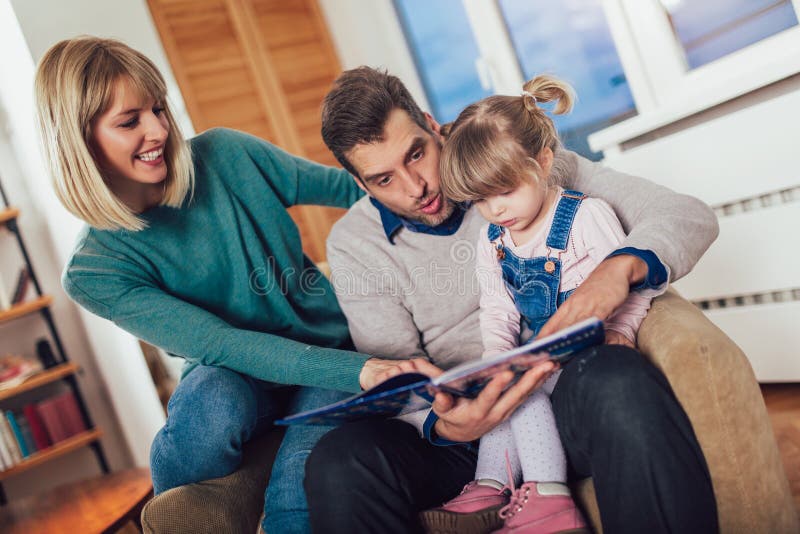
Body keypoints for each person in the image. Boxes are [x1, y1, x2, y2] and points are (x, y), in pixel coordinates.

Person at [32, 37, 442, 534]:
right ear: (79, 139)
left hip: (323, 350)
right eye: (129, 120)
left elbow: (350, 185)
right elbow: (220, 345)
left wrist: (454, 165)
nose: (159, 129)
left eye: (158, 108)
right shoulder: (94, 269)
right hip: (233, 373)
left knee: (300, 481)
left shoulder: (225, 154)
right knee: (211, 404)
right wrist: (366, 370)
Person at [305, 66, 719, 533]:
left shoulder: (516, 162)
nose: (415, 186)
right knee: (338, 461)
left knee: (618, 379)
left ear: (429, 122)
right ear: (360, 183)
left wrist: (618, 269)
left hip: (558, 390)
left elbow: (687, 215)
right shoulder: (353, 244)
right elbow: (396, 376)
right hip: (461, 434)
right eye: (383, 179)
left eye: (417, 154)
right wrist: (445, 426)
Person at [423, 74, 653, 533]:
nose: (495, 210)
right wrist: (495, 360)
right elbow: (497, 306)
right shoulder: (494, 238)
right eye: (481, 199)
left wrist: (621, 331)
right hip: (544, 356)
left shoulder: (586, 216)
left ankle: (548, 495)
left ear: (543, 161)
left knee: (522, 394)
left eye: (504, 191)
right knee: (503, 389)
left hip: (588, 363)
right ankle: (491, 484)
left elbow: (632, 285)